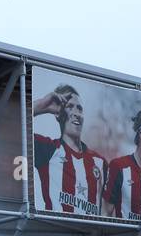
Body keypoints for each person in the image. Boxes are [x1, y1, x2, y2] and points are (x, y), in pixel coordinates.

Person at [32, 84, 109, 217]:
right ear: (58, 114)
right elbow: (15, 124)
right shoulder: (48, 149)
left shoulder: (100, 162)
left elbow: (105, 211)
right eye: (70, 107)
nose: (76, 113)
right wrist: (42, 105)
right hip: (56, 233)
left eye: (79, 108)